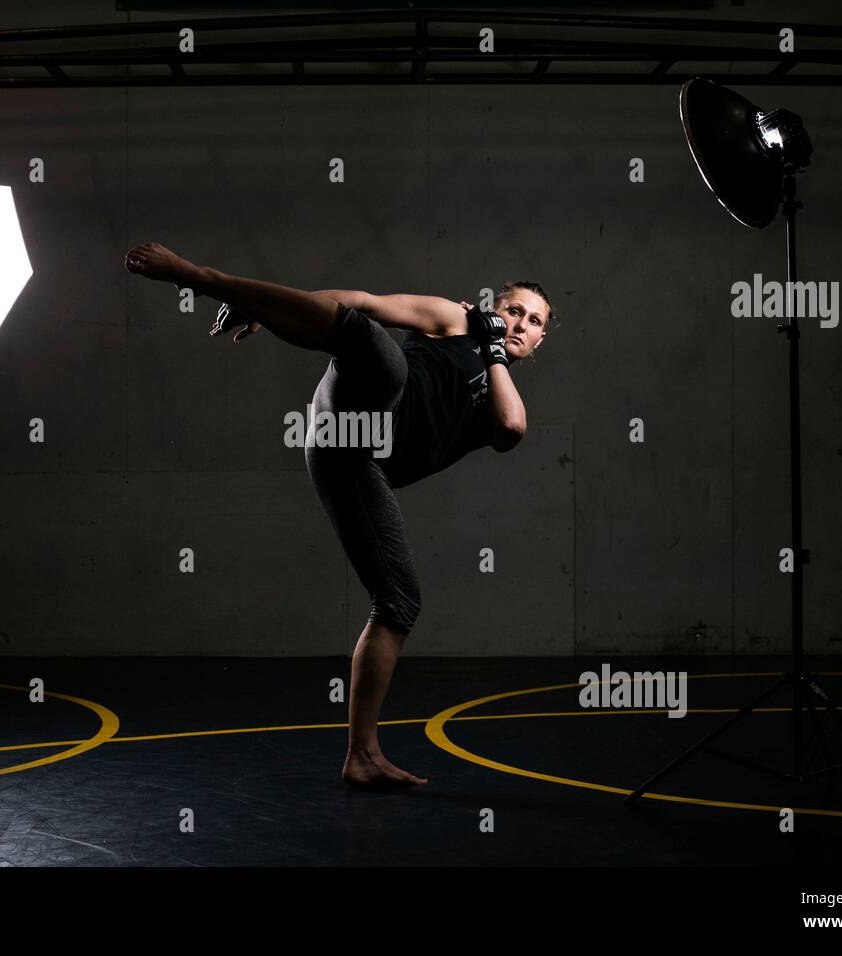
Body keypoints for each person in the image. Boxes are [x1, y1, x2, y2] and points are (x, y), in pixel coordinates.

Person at [123, 242, 553, 788]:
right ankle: (204, 277)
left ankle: (361, 755)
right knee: (380, 354)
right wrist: (267, 309)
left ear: (539, 341)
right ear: (493, 307)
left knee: (400, 602)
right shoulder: (455, 319)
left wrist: (494, 353)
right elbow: (363, 301)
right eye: (513, 310)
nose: (520, 323)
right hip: (351, 412)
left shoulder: (500, 385)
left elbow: (511, 429)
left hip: (355, 462)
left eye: (533, 322)